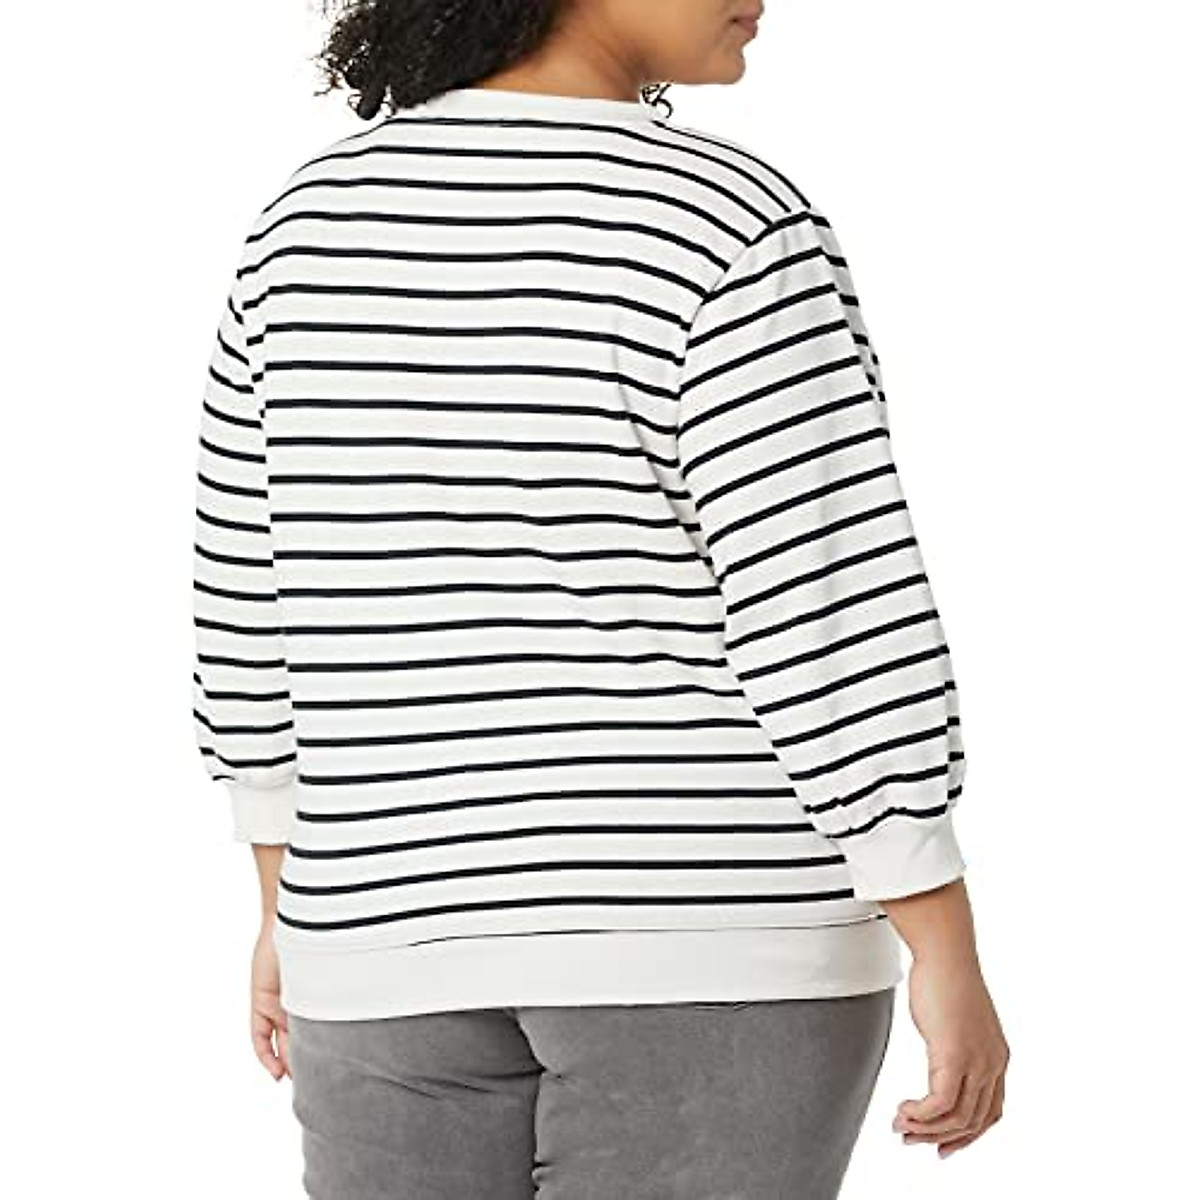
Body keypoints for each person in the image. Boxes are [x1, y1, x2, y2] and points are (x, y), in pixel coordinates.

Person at [191, 1, 1009, 1195]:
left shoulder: (303, 227)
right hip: (716, 942)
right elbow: (828, 604)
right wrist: (941, 937)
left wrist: (288, 904)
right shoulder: (724, 219)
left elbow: (248, 595)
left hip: (380, 942)